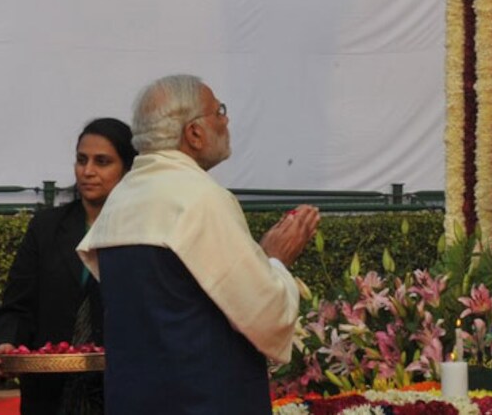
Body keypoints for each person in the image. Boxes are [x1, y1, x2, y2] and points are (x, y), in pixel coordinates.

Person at [77, 74, 320, 414]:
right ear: (193, 133)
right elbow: (265, 313)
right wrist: (276, 259)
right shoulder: (200, 197)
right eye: (218, 111)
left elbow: (172, 300)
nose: (226, 120)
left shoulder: (122, 198)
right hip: (204, 399)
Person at [0, 117, 138, 415]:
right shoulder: (46, 227)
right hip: (49, 395)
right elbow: (18, 304)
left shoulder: (141, 230)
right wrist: (8, 343)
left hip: (122, 390)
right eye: (81, 160)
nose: (88, 171)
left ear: (126, 169)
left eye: (102, 161)